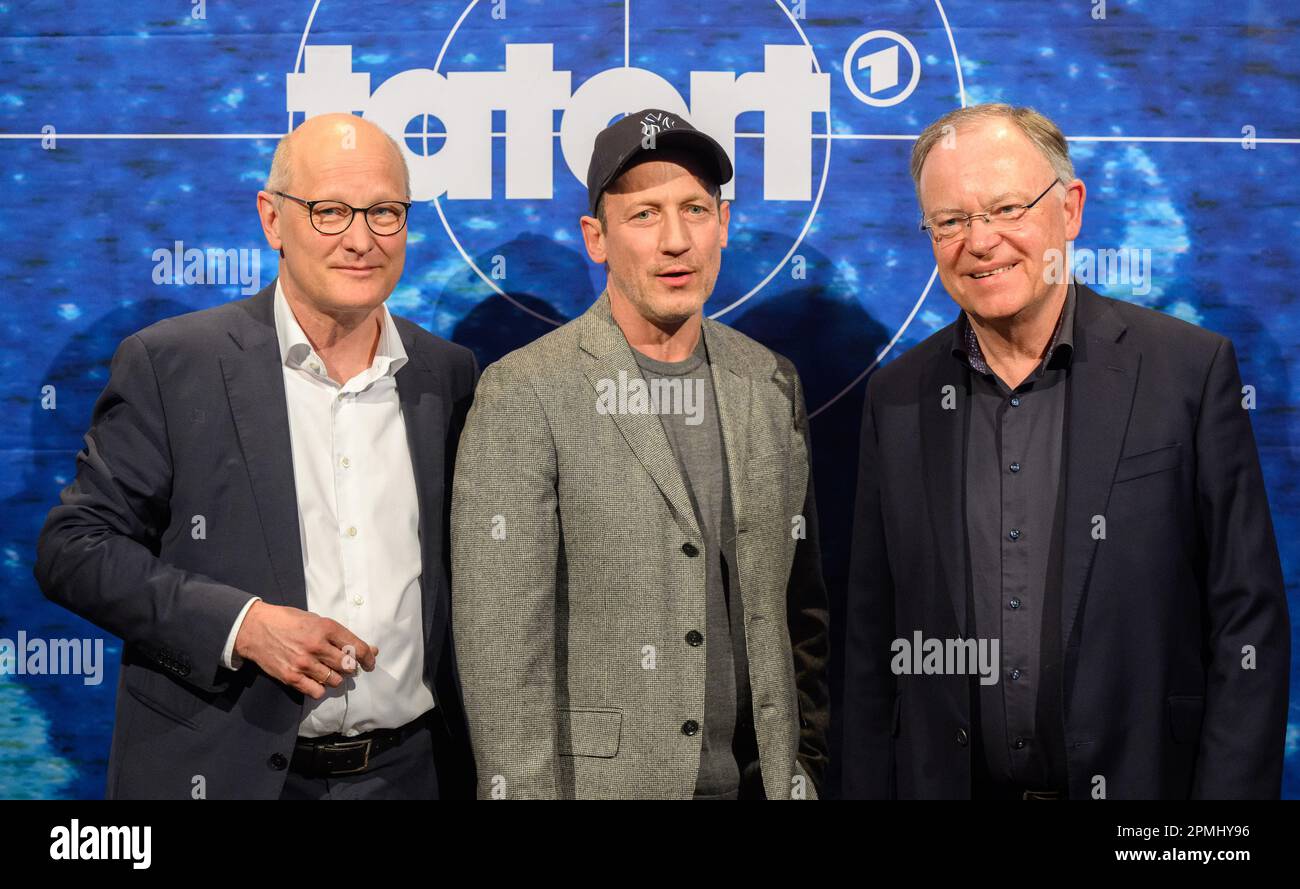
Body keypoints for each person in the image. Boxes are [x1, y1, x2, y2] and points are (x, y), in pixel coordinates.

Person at [841, 103, 1290, 800]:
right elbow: (870, 645)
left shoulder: (1185, 373)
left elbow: (1248, 624)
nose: (980, 241)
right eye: (950, 221)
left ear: (1070, 209)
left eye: (1007, 208)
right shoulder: (897, 399)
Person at [35, 113, 478, 799]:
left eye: (385, 212)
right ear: (273, 220)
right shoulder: (174, 363)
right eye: (330, 211)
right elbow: (75, 549)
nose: (361, 238)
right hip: (225, 771)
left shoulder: (446, 374)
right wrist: (242, 625)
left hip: (412, 775)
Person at [451, 109, 829, 799]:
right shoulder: (523, 392)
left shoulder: (770, 381)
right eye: (646, 214)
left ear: (723, 224)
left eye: (695, 209)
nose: (676, 240)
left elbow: (800, 609)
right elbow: (502, 650)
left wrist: (806, 767)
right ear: (596, 237)